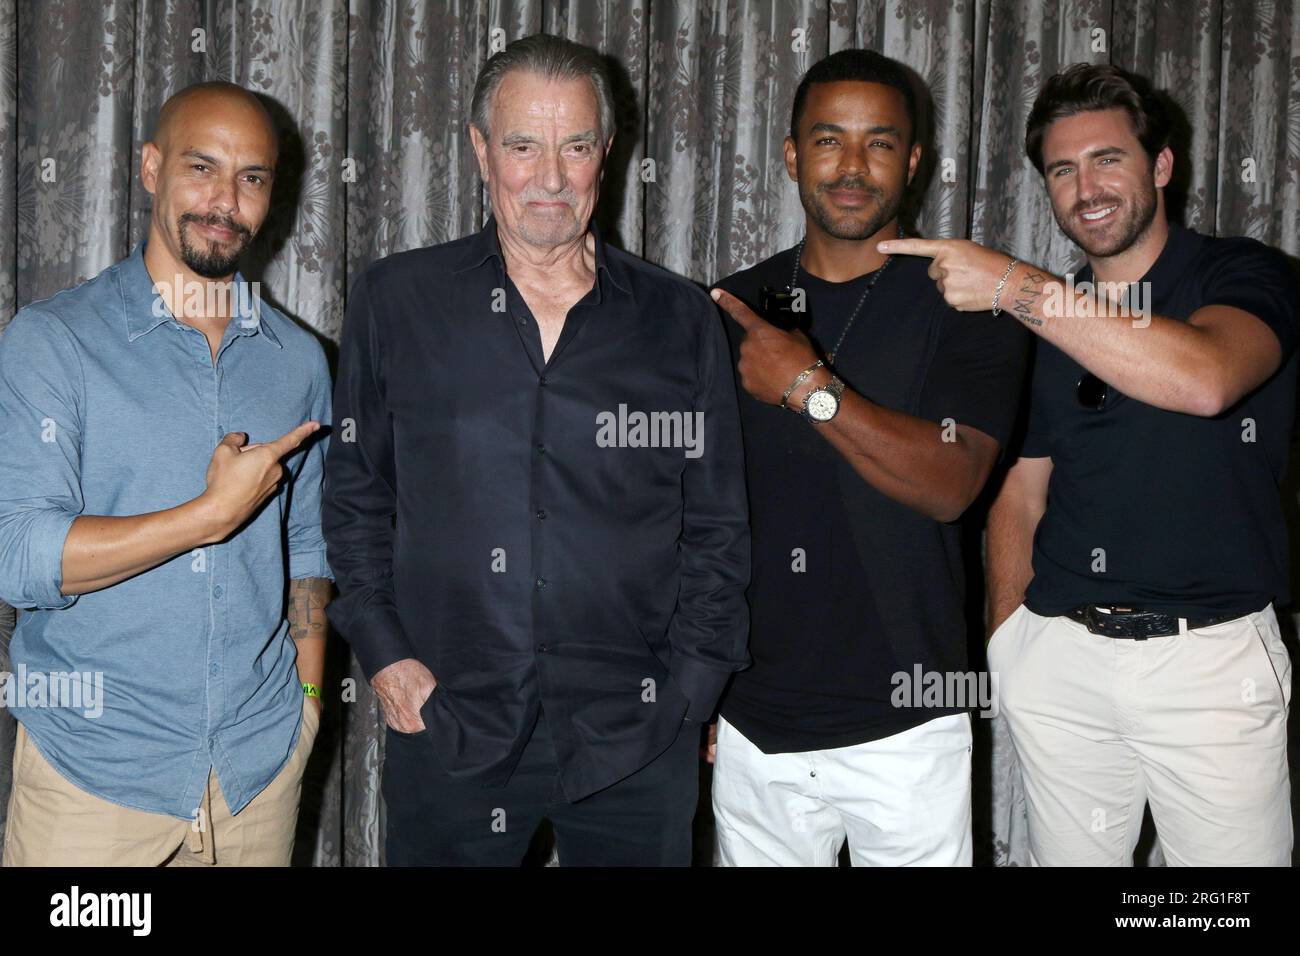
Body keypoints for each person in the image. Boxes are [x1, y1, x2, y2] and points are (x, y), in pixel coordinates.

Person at [322, 33, 750, 867]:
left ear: (607, 153)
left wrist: (691, 691)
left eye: (576, 146)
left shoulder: (679, 318)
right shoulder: (395, 303)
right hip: (449, 721)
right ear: (481, 149)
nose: (551, 178)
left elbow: (718, 525)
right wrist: (385, 653)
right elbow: (355, 496)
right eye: (523, 146)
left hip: (636, 733)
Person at [902, 63, 1296, 866]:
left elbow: (1206, 379)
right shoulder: (1043, 317)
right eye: (1062, 169)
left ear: (1161, 166)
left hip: (1211, 665)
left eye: (1108, 159)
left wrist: (1015, 286)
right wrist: (1012, 642)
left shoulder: (1243, 273)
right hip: (1062, 658)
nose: (1087, 187)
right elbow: (1021, 487)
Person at [706, 49, 1029, 866]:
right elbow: (698, 519)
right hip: (753, 725)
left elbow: (951, 484)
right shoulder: (734, 306)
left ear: (913, 162)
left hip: (908, 726)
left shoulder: (969, 301)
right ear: (790, 156)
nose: (852, 168)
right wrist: (696, 688)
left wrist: (810, 388)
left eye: (880, 144)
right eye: (828, 141)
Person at [0, 81, 332, 866]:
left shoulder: (298, 361)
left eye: (252, 177)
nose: (226, 200)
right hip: (94, 785)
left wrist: (309, 708)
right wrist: (205, 517)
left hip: (258, 775)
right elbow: (18, 559)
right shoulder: (53, 342)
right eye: (201, 167)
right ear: (151, 168)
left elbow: (310, 550)